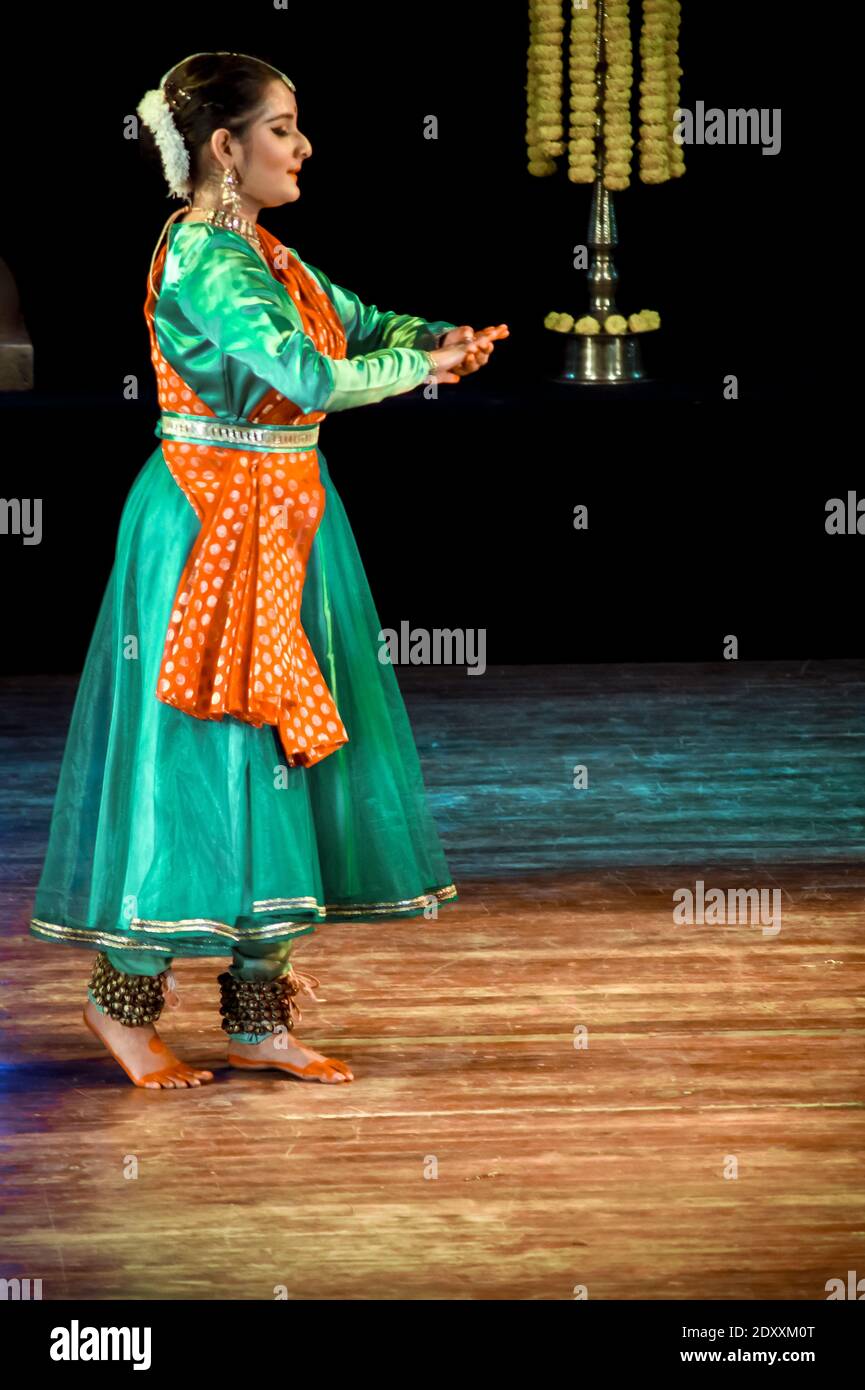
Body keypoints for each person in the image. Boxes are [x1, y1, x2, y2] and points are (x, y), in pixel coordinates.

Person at [28, 50, 507, 1089]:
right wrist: (413, 370)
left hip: (286, 516)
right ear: (223, 147)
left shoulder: (261, 249)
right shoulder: (205, 257)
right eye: (283, 127)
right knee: (196, 756)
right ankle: (124, 999)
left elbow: (352, 321)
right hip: (210, 519)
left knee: (289, 751)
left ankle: (257, 1013)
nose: (302, 145)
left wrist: (432, 336)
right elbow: (304, 374)